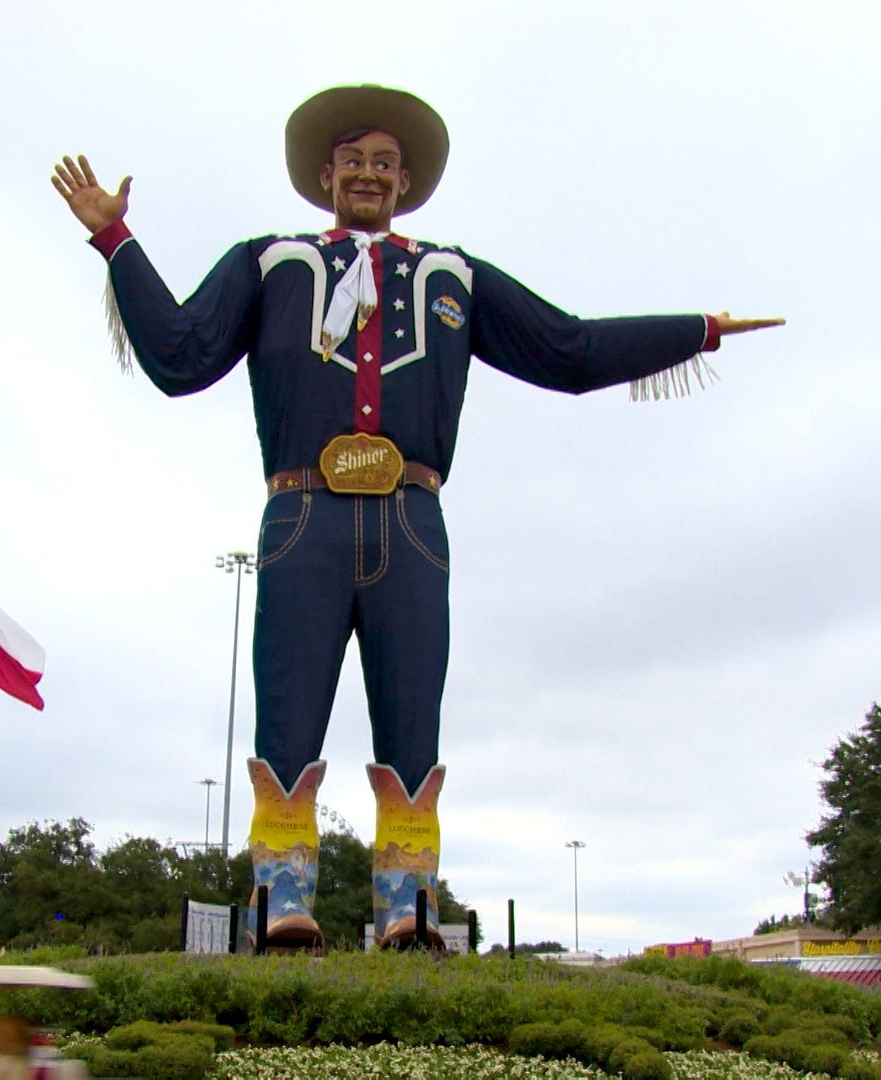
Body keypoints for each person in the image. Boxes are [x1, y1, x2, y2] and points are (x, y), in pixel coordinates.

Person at [53, 84, 781, 949]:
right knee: (287, 714)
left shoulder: (453, 277)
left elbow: (569, 348)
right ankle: (281, 899)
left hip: (413, 521)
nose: (368, 175)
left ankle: (409, 907)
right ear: (325, 175)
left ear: (405, 183)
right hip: (302, 515)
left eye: (384, 164)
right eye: (353, 161)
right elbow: (180, 355)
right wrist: (115, 239)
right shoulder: (268, 263)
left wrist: (697, 330)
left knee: (412, 723)